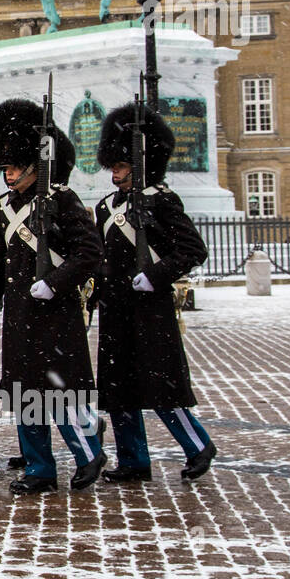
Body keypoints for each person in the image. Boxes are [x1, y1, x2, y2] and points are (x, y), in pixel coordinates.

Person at [0, 99, 105, 495]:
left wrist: (56, 283)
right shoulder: (2, 206)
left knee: (59, 392)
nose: (7, 173)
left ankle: (87, 454)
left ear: (33, 163)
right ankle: (40, 468)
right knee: (26, 394)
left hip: (55, 313)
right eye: (4, 166)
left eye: (13, 166)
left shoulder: (62, 199)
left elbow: (88, 252)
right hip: (19, 313)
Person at [94, 104, 216, 482]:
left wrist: (156, 276)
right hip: (116, 307)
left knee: (162, 386)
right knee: (118, 390)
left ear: (139, 163)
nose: (114, 171)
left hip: (150, 307)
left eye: (121, 164)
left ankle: (197, 444)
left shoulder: (162, 200)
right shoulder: (106, 206)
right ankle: (133, 459)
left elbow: (193, 250)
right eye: (112, 164)